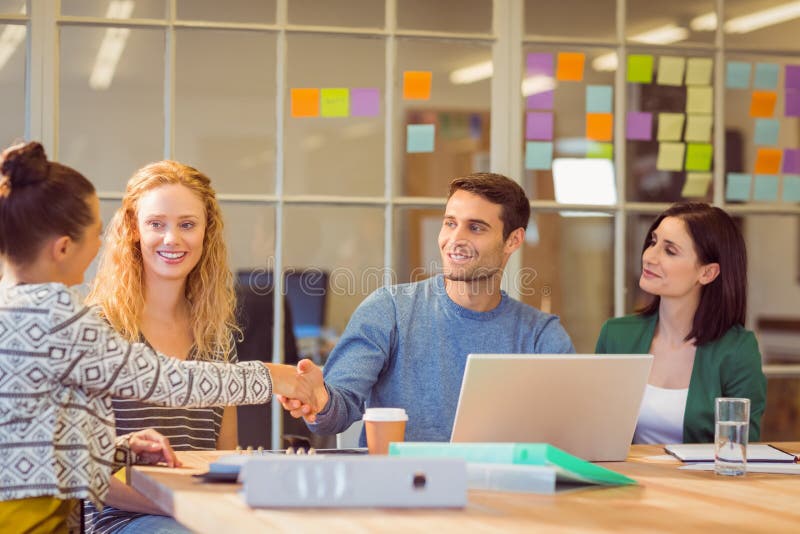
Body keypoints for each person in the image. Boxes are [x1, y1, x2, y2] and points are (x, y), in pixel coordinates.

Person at [0, 142, 318, 532]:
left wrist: (119, 450)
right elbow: (165, 379)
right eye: (96, 233)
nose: (102, 244)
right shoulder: (60, 318)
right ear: (63, 247)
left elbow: (44, 444)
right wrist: (273, 376)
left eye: (187, 224)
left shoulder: (19, 310)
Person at [279, 172, 575, 443]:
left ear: (513, 240)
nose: (455, 239)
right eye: (450, 223)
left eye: (475, 228)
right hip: (400, 482)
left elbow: (574, 429)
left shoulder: (540, 335)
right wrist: (320, 400)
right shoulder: (390, 311)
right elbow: (337, 409)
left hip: (501, 483)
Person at [82, 160, 261, 532]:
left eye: (187, 225)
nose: (171, 239)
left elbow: (223, 456)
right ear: (134, 229)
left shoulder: (216, 336)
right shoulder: (97, 329)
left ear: (207, 232)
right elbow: (87, 474)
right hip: (120, 517)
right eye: (156, 224)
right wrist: (181, 506)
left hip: (199, 514)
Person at [595, 202, 766, 444]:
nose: (649, 257)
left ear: (707, 273)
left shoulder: (738, 349)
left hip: (705, 471)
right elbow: (595, 430)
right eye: (653, 242)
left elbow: (740, 447)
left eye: (670, 251)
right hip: (627, 470)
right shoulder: (615, 336)